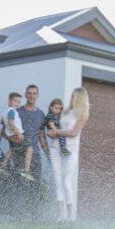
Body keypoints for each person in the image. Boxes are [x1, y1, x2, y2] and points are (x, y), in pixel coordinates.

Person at [46, 87, 90, 221]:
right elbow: (53, 126)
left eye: (74, 97)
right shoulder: (64, 111)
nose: (71, 99)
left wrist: (56, 133)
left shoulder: (82, 115)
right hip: (55, 148)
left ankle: (71, 216)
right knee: (57, 180)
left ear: (80, 99)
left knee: (66, 182)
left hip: (70, 151)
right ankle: (61, 215)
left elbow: (73, 133)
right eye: (71, 96)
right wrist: (51, 132)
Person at [0, 92, 33, 180]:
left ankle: (3, 167)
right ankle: (26, 170)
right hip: (17, 134)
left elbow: (2, 121)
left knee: (11, 149)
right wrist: (18, 133)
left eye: (19, 102)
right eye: (15, 101)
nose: (17, 104)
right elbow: (10, 122)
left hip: (11, 135)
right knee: (29, 148)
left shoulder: (5, 111)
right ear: (9, 101)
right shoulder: (12, 111)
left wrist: (7, 131)